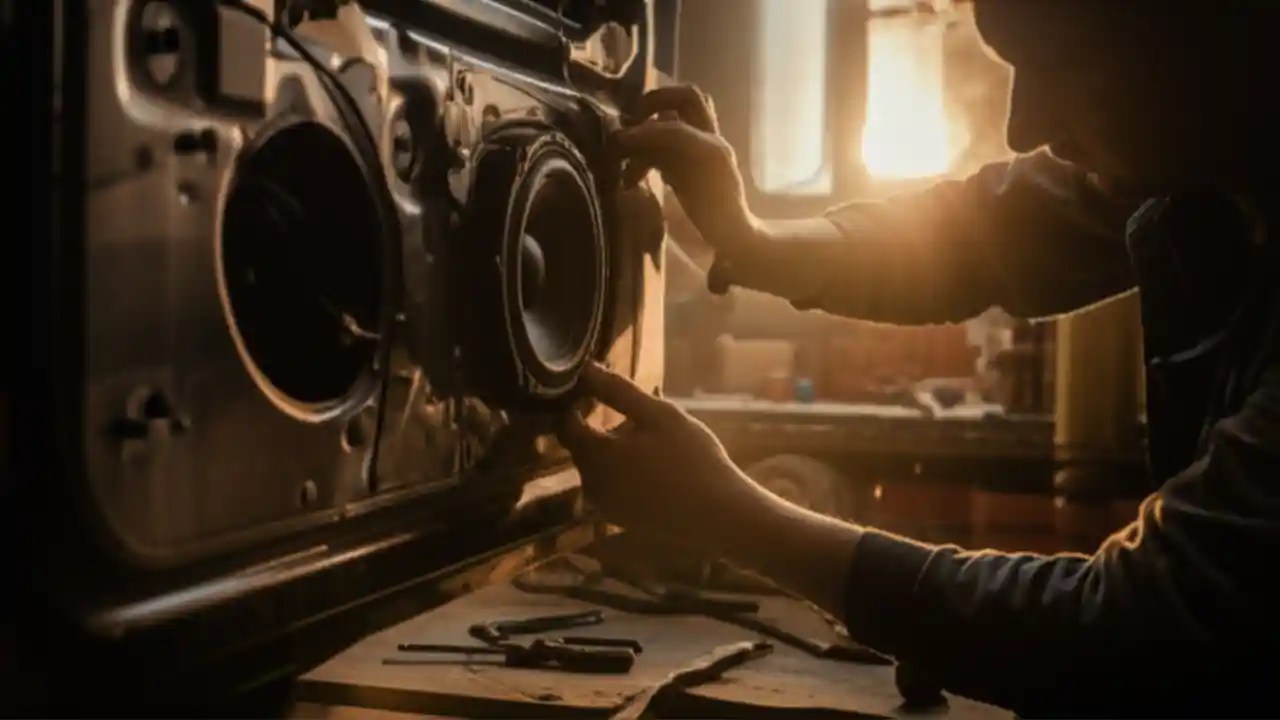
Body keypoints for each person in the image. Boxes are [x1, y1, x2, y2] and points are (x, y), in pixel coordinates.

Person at [557, 2, 1280, 717]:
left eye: (1061, 66)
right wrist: (754, 241)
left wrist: (731, 516)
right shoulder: (1209, 151)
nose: (1022, 126)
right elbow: (989, 231)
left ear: (1212, 35)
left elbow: (1138, 633)